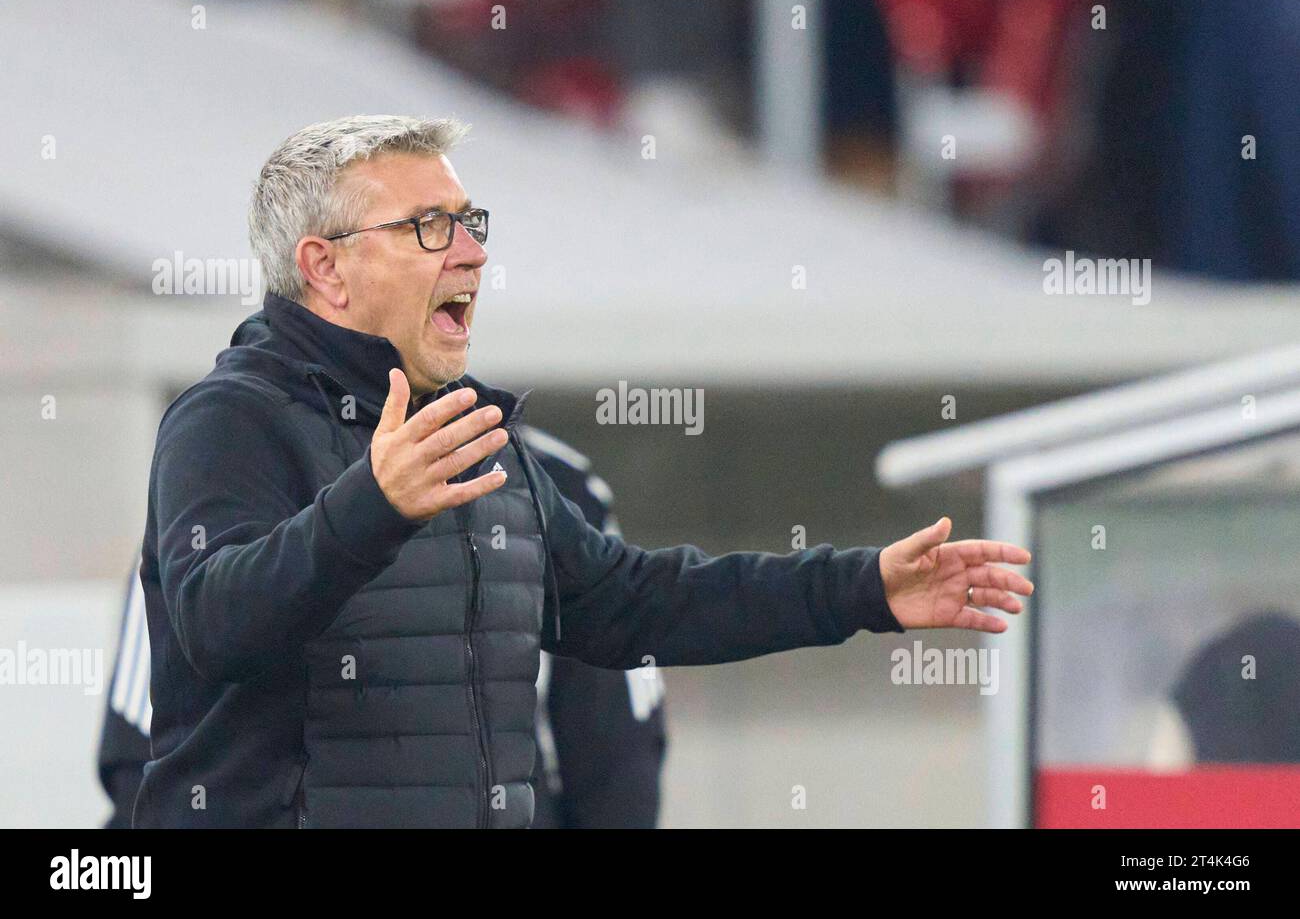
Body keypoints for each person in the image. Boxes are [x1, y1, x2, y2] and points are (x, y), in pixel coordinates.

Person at [135, 115, 1034, 828]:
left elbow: (634, 601)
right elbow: (217, 624)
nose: (473, 253)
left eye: (472, 223)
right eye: (429, 227)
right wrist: (370, 504)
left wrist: (863, 588)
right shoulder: (228, 419)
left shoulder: (477, 436)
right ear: (324, 266)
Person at [100, 426, 666, 829]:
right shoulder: (218, 472)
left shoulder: (550, 483)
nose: (462, 260)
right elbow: (143, 765)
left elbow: (617, 765)